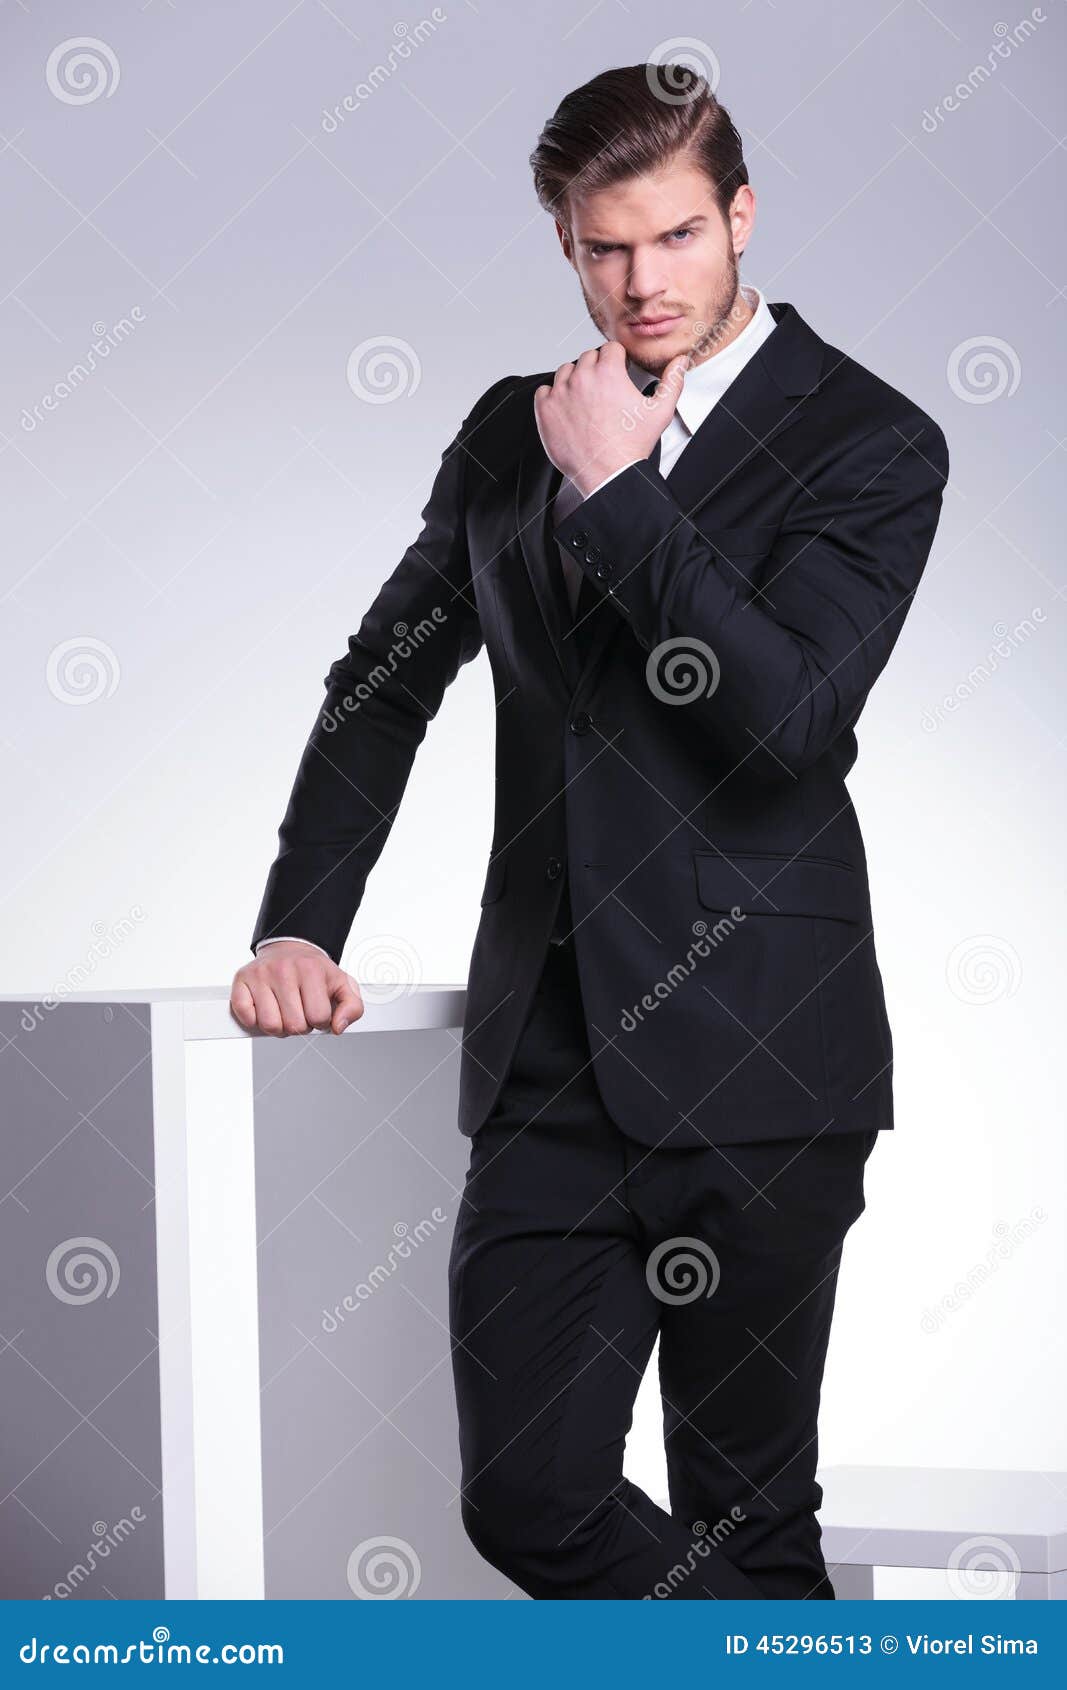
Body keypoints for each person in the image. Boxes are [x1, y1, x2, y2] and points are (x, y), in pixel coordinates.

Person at [231, 62, 949, 1599]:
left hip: (765, 1055)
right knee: (529, 1498)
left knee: (749, 1518)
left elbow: (785, 723)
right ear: (565, 239)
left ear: (741, 216)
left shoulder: (871, 439)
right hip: (550, 1062)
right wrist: (299, 920)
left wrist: (621, 491)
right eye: (605, 247)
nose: (643, 285)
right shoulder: (512, 431)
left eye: (677, 237)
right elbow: (380, 686)